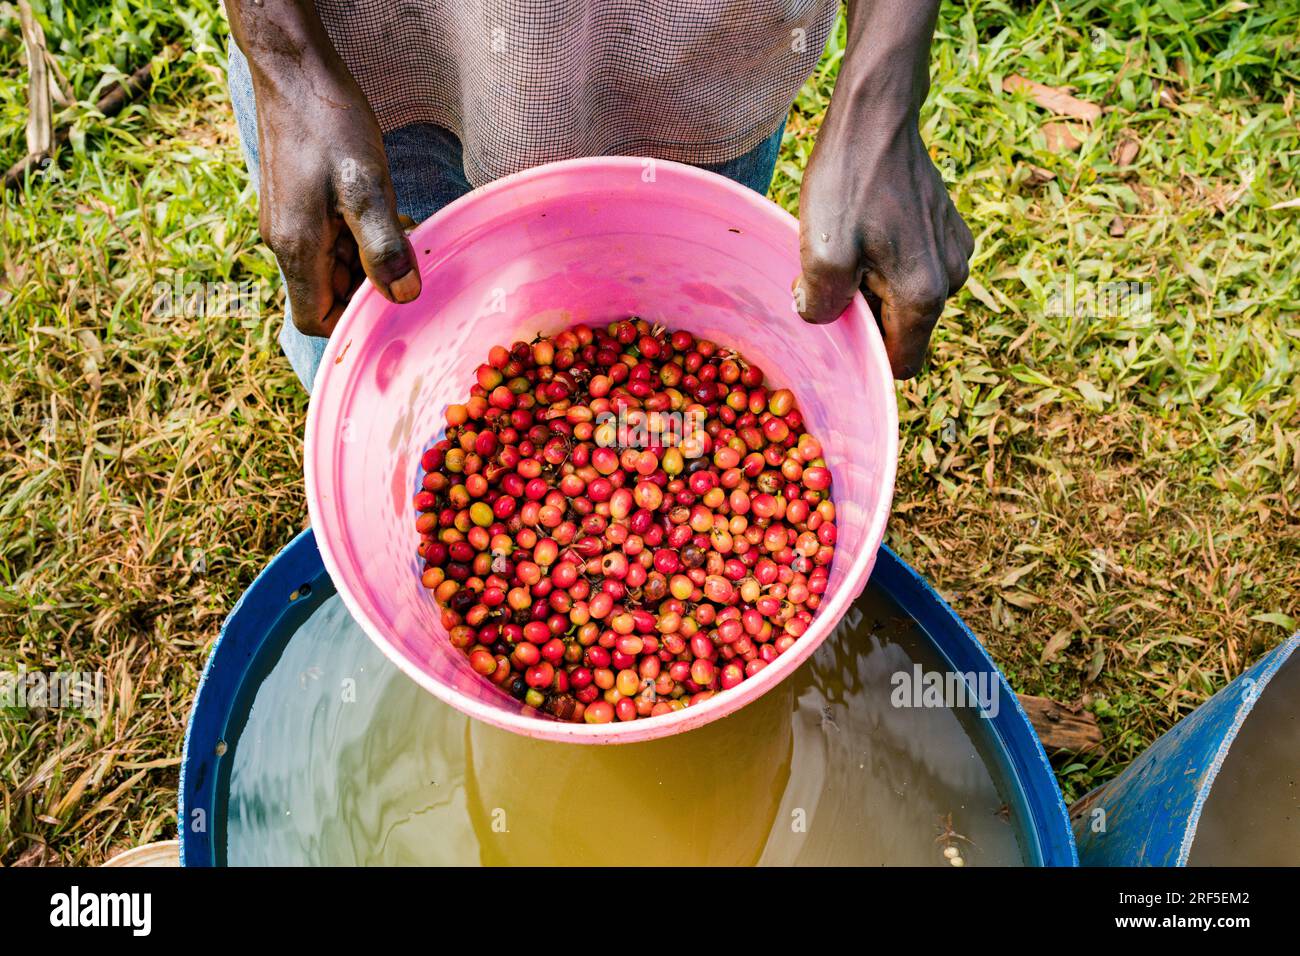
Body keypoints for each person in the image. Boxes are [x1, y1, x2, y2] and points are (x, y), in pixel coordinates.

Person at [227, 1, 972, 389]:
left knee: (670, 328)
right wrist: (286, 56)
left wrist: (883, 99)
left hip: (693, 53)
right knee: (384, 340)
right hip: (379, 48)